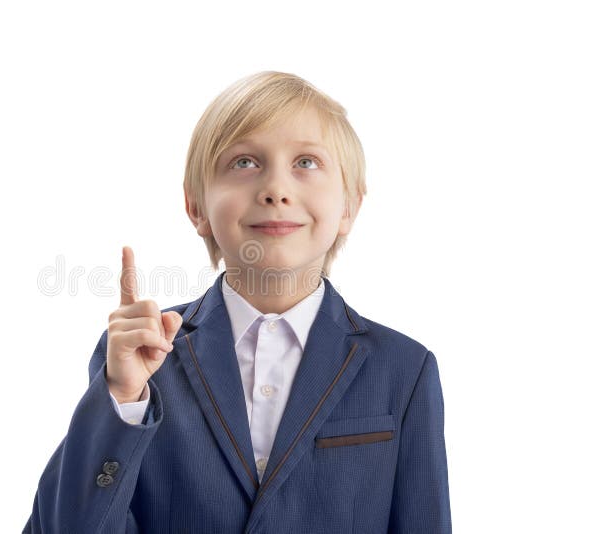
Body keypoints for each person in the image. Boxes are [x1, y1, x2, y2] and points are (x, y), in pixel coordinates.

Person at [22, 70, 451, 533]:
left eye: (306, 162)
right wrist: (122, 401)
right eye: (244, 162)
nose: (276, 190)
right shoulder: (140, 357)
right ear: (196, 207)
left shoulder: (405, 369)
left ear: (349, 207)